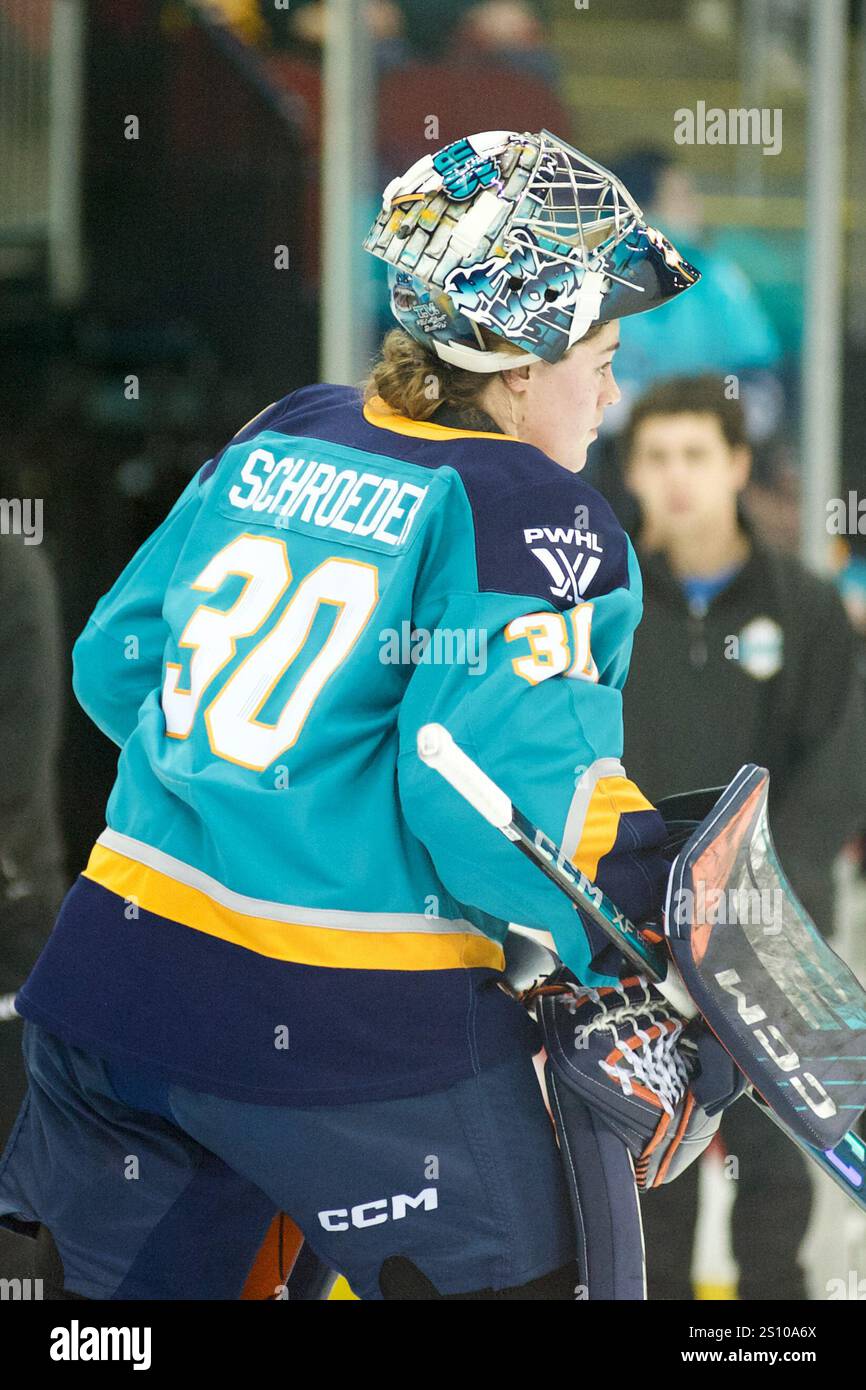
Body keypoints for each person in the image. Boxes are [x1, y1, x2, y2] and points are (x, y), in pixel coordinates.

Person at [0, 130, 701, 1301]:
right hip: (352, 1038)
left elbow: (118, 662)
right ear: (519, 366)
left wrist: (264, 814)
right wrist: (664, 932)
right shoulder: (532, 509)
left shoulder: (288, 428)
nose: (611, 393)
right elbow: (502, 797)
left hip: (107, 1000)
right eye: (601, 356)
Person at [619, 374, 866, 1299]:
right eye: (657, 457)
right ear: (634, 472)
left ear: (735, 465)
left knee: (773, 1153)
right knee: (647, 1146)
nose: (677, 478)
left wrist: (759, 898)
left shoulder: (804, 608)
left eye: (696, 455)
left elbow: (842, 763)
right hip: (633, 928)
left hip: (770, 933)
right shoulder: (610, 606)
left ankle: (772, 1335)